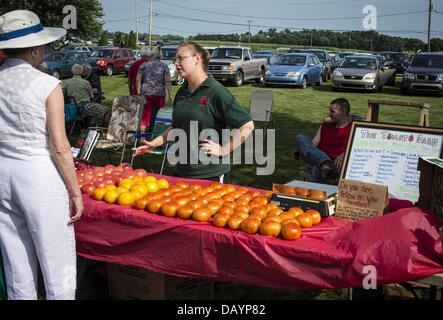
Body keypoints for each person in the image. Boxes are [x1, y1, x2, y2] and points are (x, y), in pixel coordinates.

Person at [0, 10, 83, 300]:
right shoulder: (47, 84)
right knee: (59, 261)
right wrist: (75, 191)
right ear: (34, 48)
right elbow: (59, 147)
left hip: (3, 172)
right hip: (39, 175)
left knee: (16, 263)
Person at [133, 42, 255, 183]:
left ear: (197, 59)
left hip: (211, 175)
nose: (176, 63)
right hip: (181, 172)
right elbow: (177, 127)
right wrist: (154, 143)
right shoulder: (181, 93)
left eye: (181, 58)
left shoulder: (217, 92)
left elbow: (247, 125)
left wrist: (224, 150)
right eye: (175, 60)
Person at [292, 98, 351, 184]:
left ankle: (326, 166)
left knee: (317, 169)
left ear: (343, 111)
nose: (329, 114)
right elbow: (313, 144)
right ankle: (324, 163)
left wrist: (345, 154)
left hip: (336, 164)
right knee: (300, 137)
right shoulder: (326, 125)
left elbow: (358, 149)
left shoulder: (352, 128)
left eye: (332, 111)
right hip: (317, 160)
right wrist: (300, 148)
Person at [136, 46, 173, 132]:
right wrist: (170, 94)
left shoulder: (144, 65)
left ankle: (142, 137)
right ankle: (158, 135)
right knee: (160, 115)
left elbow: (138, 79)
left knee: (145, 115)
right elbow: (167, 81)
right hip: (159, 93)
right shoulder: (164, 66)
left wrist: (138, 92)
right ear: (160, 56)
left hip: (146, 93)